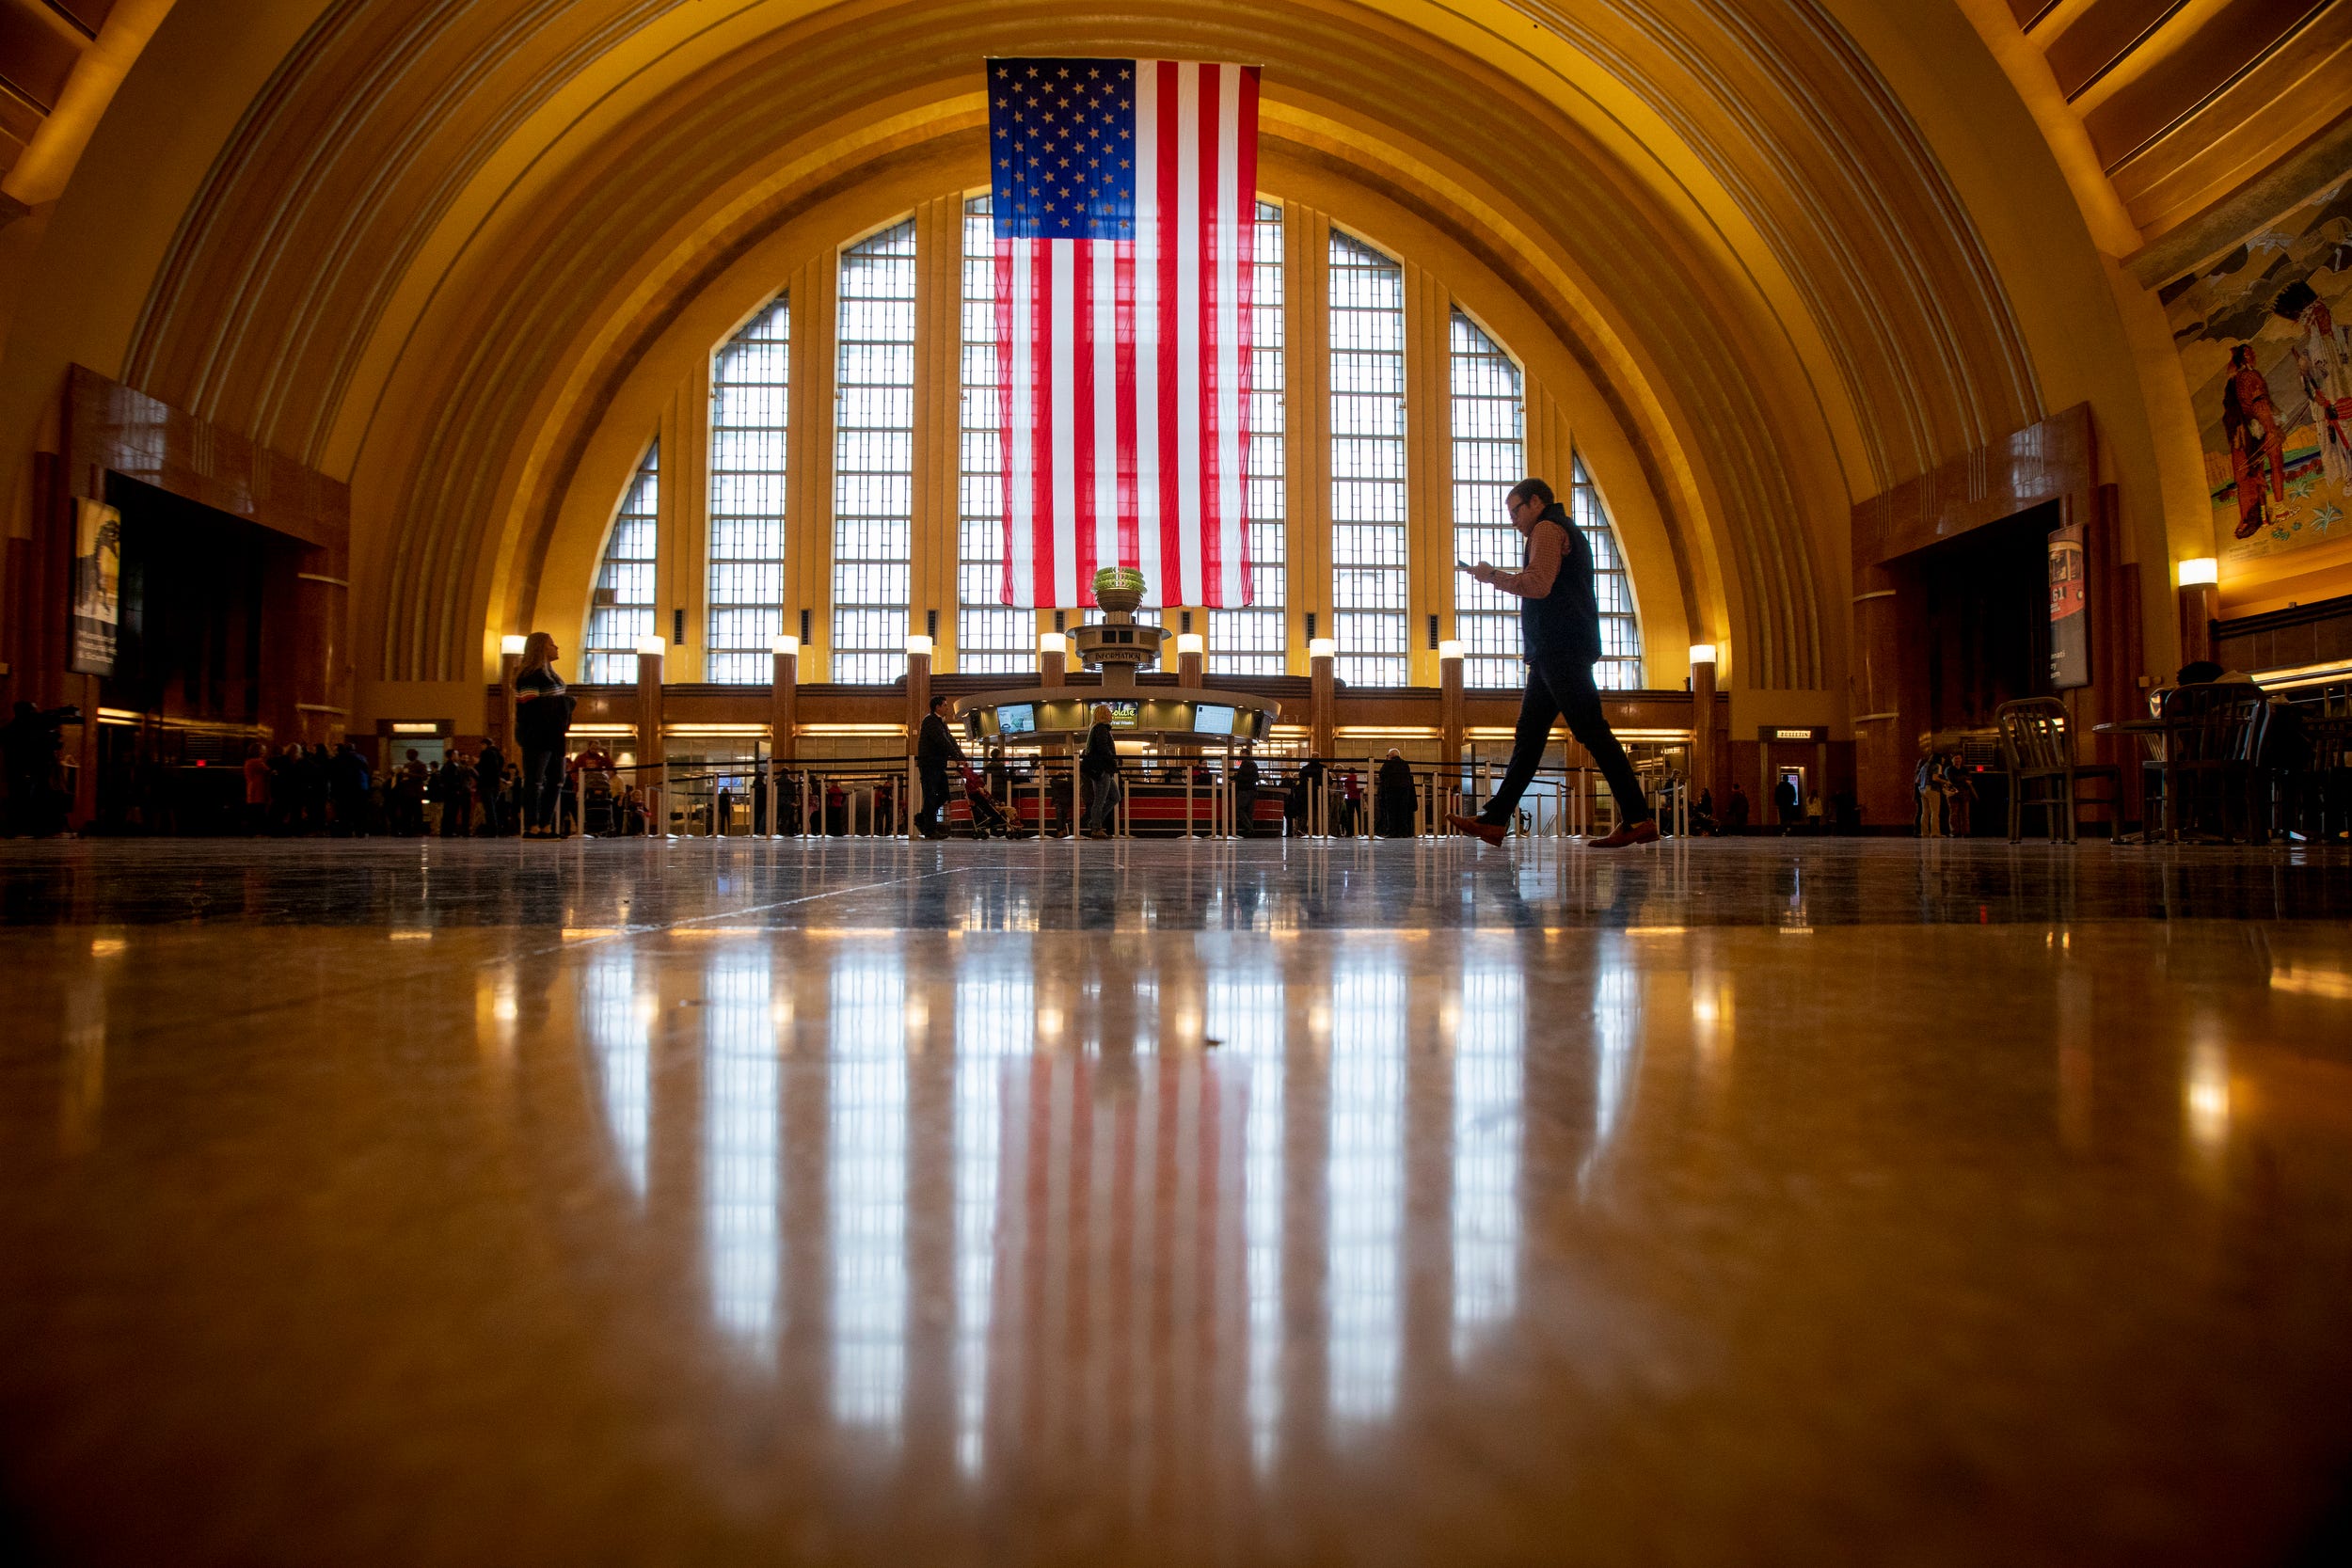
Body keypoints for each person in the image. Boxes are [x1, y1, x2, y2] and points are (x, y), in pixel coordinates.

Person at [1449, 477, 1657, 848]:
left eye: (1516, 510)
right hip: (1555, 651)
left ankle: (1639, 818)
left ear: (1535, 502)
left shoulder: (1547, 528)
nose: (1513, 519)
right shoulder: (1564, 529)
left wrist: (1490, 576)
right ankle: (1496, 819)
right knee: (1529, 739)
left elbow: (1538, 585)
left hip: (1560, 649)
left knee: (1591, 731)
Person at [512, 631, 574, 837]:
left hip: (554, 734)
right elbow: (529, 707)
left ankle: (546, 824)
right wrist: (563, 703)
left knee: (557, 779)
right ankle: (532, 826)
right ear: (540, 648)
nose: (556, 648)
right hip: (537, 734)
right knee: (534, 780)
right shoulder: (529, 675)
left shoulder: (553, 676)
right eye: (552, 644)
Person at [915, 693, 965, 840]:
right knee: (930, 796)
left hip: (938, 765)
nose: (947, 708)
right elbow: (942, 741)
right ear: (937, 707)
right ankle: (930, 830)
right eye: (945, 705)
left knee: (944, 794)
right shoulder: (930, 721)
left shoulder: (941, 722)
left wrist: (961, 757)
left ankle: (922, 818)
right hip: (929, 765)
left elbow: (951, 740)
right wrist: (956, 758)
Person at [1080, 704, 1121, 837]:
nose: (1111, 714)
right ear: (1104, 714)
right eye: (1109, 712)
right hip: (1102, 770)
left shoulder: (1097, 729)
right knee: (1100, 800)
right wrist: (1112, 759)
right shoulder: (1101, 729)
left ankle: (1094, 822)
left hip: (1103, 770)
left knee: (1115, 797)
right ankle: (1096, 828)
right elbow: (1103, 748)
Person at [328, 741, 371, 836]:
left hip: (344, 789)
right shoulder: (361, 758)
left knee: (345, 811)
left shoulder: (338, 759)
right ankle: (360, 831)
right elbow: (367, 772)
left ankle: (346, 831)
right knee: (359, 811)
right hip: (360, 788)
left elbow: (334, 776)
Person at [1376, 748, 1416, 836]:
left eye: (1388, 755)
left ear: (1391, 755)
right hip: (1404, 792)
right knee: (1403, 812)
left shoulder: (1388, 763)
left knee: (1391, 812)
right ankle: (1403, 832)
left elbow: (1381, 774)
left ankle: (1392, 831)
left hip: (1391, 791)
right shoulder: (1405, 764)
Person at [474, 737, 506, 836]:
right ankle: (495, 829)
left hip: (486, 784)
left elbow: (484, 768)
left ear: (485, 744)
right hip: (495, 784)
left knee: (489, 809)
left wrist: (477, 764)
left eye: (482, 745)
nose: (481, 747)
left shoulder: (486, 753)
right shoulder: (499, 754)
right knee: (493, 807)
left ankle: (491, 830)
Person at [243, 741, 272, 836]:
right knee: (259, 811)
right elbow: (269, 771)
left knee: (253, 811)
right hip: (259, 790)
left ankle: (253, 831)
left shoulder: (248, 762)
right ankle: (258, 831)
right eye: (263, 750)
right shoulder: (257, 762)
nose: (265, 752)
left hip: (252, 789)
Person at [1233, 745, 1262, 838]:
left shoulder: (1245, 763)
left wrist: (1236, 779)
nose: (1240, 756)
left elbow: (1242, 777)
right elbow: (1256, 777)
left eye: (1241, 754)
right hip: (1253, 790)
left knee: (1239, 809)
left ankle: (1249, 829)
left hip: (1245, 790)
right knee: (1249, 812)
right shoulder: (1253, 763)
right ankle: (1250, 831)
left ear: (1245, 754)